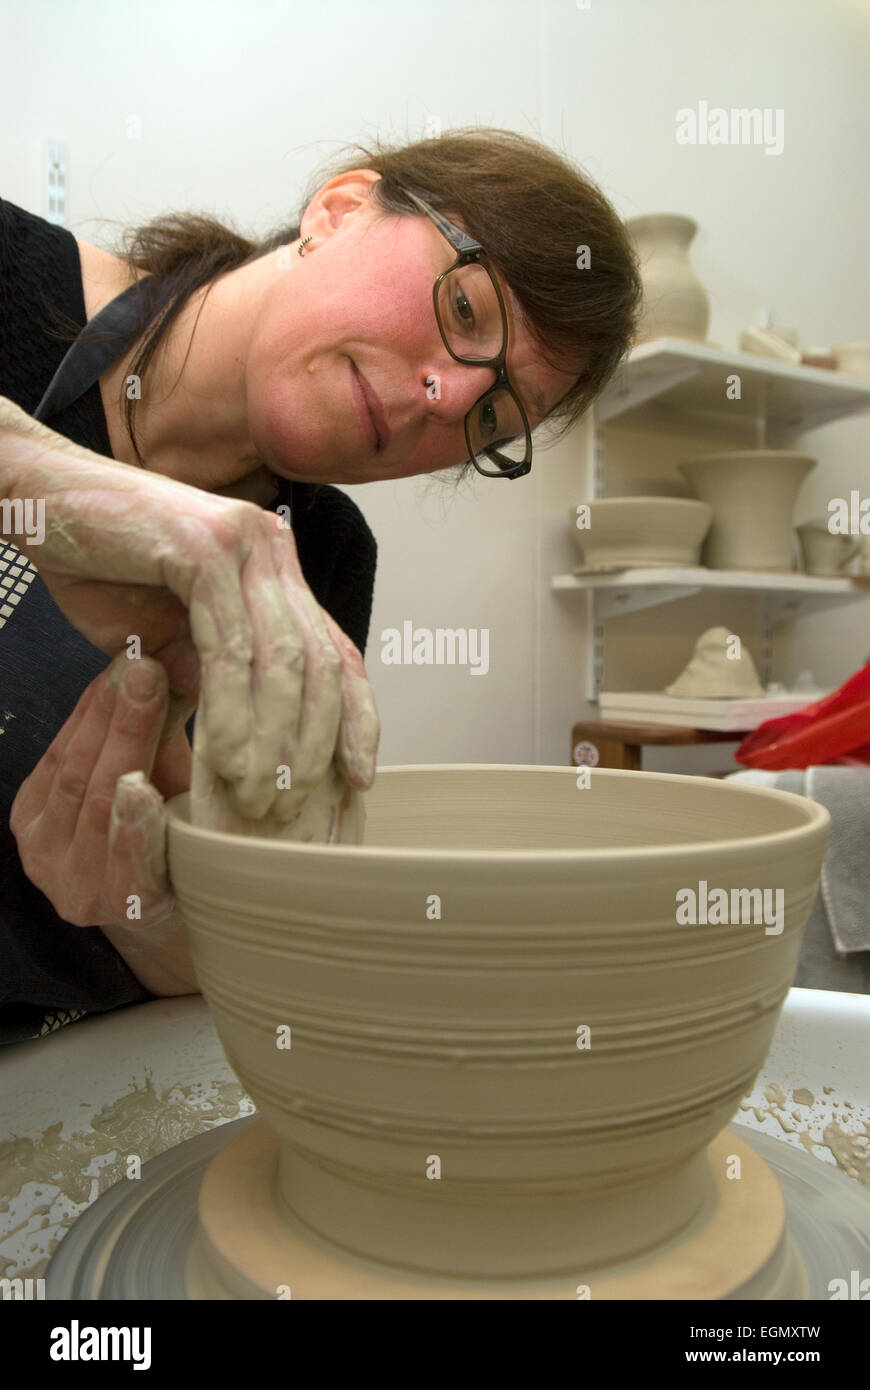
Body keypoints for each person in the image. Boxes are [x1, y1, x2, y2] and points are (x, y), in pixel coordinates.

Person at [0, 127, 642, 1043]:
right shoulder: (16, 282)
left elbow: (216, 952)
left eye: (494, 417)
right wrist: (36, 478)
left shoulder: (326, 561)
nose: (448, 400)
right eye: (466, 311)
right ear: (337, 211)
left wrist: (136, 908)